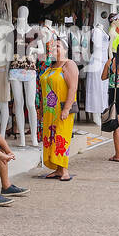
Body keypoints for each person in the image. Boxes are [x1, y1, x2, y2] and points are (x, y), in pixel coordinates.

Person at [39, 37, 79, 181]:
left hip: (62, 108)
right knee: (51, 138)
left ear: (65, 49)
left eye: (57, 46)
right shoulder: (51, 66)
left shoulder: (69, 65)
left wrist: (66, 109)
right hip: (49, 111)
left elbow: (73, 88)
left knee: (61, 138)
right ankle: (57, 169)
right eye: (51, 47)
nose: (53, 49)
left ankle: (65, 170)